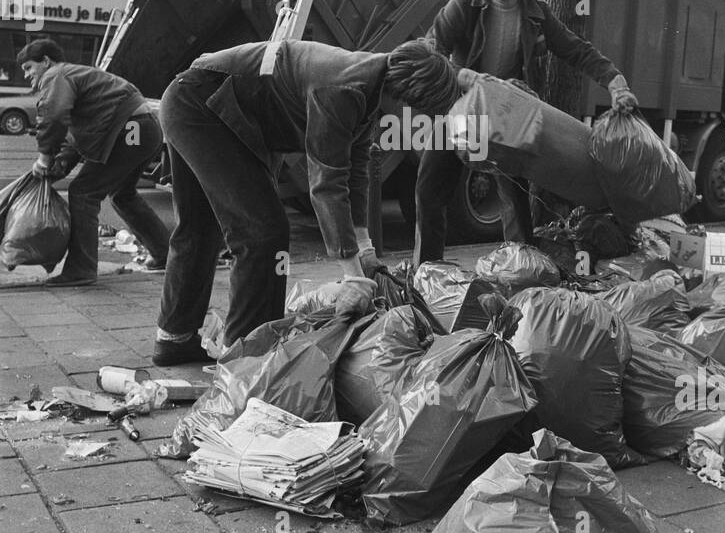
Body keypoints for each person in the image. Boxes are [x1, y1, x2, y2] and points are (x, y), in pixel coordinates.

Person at [153, 36, 457, 365]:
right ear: (408, 95)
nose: (414, 120)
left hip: (196, 100)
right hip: (200, 105)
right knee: (262, 233)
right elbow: (326, 183)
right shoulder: (343, 89)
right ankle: (247, 360)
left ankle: (175, 339)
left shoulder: (369, 85)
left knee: (201, 227)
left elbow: (354, 173)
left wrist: (364, 249)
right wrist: (351, 274)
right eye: (421, 110)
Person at [413, 0, 639, 263]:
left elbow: (578, 51)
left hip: (506, 117)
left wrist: (617, 85)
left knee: (514, 202)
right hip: (457, 111)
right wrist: (466, 76)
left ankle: (521, 272)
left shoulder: (536, 13)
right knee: (428, 191)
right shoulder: (463, 5)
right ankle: (425, 271)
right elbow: (430, 53)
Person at [17, 38, 171, 287]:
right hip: (142, 129)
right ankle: (165, 255)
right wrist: (58, 166)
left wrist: (44, 158)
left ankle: (81, 270)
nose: (26, 75)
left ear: (46, 61)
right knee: (122, 194)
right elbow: (75, 138)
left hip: (133, 129)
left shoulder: (57, 75)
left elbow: (54, 115)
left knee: (83, 192)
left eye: (28, 67)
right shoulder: (75, 76)